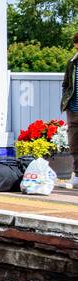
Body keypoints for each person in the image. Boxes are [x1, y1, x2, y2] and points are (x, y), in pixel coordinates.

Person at [62, 31, 78, 191]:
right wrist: (66, 100)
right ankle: (77, 176)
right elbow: (65, 84)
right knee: (74, 144)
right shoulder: (71, 63)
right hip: (73, 109)